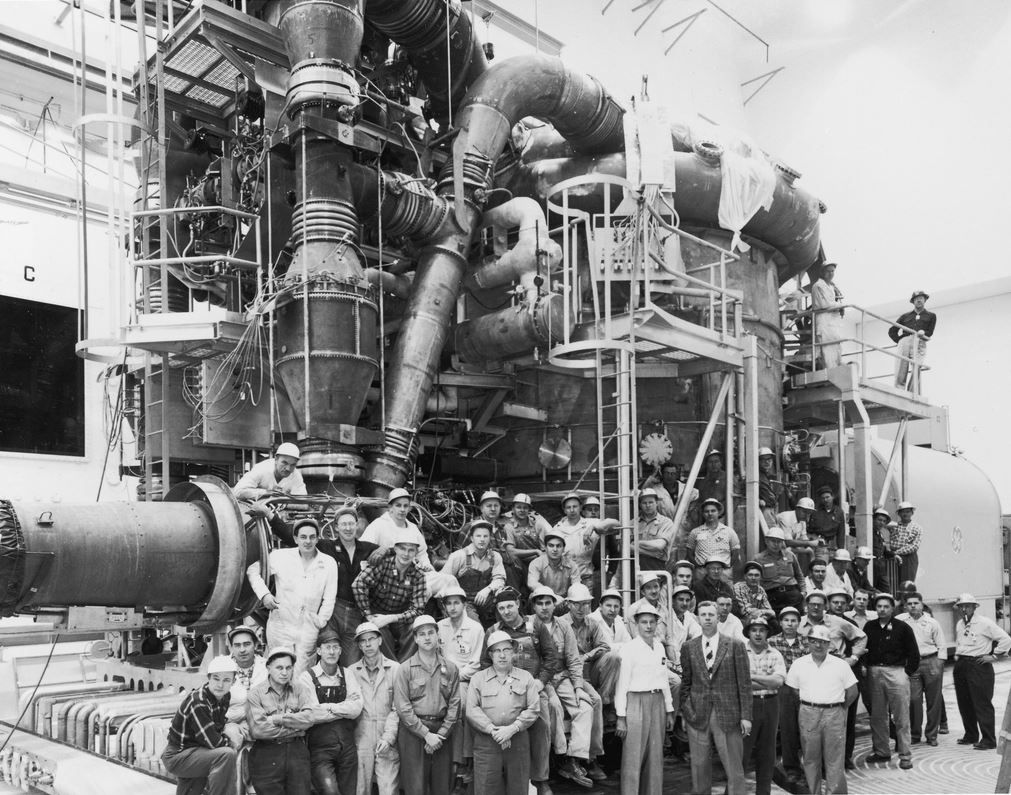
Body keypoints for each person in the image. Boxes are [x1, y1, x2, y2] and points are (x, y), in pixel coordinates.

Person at [485, 587, 559, 795]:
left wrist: (540, 682)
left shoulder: (535, 625)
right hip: (504, 689)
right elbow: (484, 663)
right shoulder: (493, 631)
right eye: (501, 608)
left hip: (533, 687)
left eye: (509, 606)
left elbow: (551, 657)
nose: (506, 611)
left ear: (518, 604)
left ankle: (541, 778)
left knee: (542, 723)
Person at [528, 585, 603, 787]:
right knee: (554, 707)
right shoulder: (530, 626)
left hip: (563, 676)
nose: (544, 607)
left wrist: (578, 686)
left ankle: (576, 758)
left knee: (586, 706)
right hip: (540, 679)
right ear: (534, 606)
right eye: (540, 603)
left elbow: (573, 659)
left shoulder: (563, 626)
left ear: (555, 605)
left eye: (548, 603)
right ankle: (561, 758)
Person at [247, 519, 338, 673]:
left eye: (312, 537)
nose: (307, 541)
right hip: (280, 625)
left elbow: (330, 597)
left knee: (304, 673)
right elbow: (252, 570)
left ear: (317, 538)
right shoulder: (280, 556)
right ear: (295, 539)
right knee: (278, 670)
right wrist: (265, 595)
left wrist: (321, 621)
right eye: (303, 537)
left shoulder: (328, 563)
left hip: (309, 628)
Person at [680, 600, 751, 795]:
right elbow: (686, 682)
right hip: (698, 713)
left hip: (728, 713)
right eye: (703, 615)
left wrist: (746, 716)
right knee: (699, 764)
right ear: (698, 618)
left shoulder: (735, 645)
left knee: (733, 765)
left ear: (718, 617)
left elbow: (744, 683)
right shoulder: (689, 647)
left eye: (711, 614)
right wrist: (687, 711)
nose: (708, 618)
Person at [785, 625, 858, 795]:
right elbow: (794, 691)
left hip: (834, 713)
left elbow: (852, 691)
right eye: (814, 641)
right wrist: (810, 705)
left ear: (829, 644)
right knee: (810, 757)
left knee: (835, 758)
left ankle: (835, 793)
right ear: (808, 642)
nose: (818, 645)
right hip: (808, 712)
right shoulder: (799, 664)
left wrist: (839, 708)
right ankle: (814, 792)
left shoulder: (840, 665)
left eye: (823, 642)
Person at [467, 631, 542, 795]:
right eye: (497, 651)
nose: (502, 655)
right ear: (490, 654)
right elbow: (472, 710)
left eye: (506, 650)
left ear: (513, 652)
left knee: (518, 788)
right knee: (486, 788)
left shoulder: (526, 677)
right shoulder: (478, 679)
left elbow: (534, 708)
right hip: (487, 743)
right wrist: (493, 731)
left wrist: (513, 728)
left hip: (517, 742)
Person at [393, 615, 461, 795]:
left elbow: (454, 705)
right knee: (415, 787)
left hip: (442, 734)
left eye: (431, 632)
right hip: (413, 733)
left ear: (438, 636)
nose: (427, 637)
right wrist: (425, 735)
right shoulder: (405, 669)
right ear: (415, 639)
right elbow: (403, 707)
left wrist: (440, 734)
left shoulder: (451, 668)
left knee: (442, 786)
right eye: (422, 634)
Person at [615, 603, 676, 795]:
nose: (648, 626)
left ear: (657, 623)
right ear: (636, 624)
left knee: (655, 756)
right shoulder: (629, 649)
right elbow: (622, 685)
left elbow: (664, 679)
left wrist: (669, 708)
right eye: (644, 622)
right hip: (635, 702)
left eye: (652, 622)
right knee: (633, 756)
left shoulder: (659, 647)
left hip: (657, 701)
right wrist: (621, 717)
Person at [161, 655, 240, 795]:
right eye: (216, 678)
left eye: (226, 680)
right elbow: (213, 742)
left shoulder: (224, 696)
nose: (220, 685)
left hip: (196, 750)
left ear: (233, 682)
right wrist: (232, 740)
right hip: (178, 755)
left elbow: (218, 727)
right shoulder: (199, 701)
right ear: (208, 678)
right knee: (226, 755)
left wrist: (227, 731)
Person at [246, 647, 316, 795]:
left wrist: (277, 719)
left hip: (297, 753)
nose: (284, 672)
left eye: (288, 668)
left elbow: (309, 719)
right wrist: (297, 727)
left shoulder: (300, 690)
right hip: (266, 753)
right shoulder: (255, 694)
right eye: (279, 667)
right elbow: (258, 730)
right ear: (268, 667)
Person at [302, 628, 363, 795]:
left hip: (347, 747)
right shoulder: (307, 677)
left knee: (349, 791)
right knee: (330, 791)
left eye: (335, 647)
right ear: (319, 650)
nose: (331, 651)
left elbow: (356, 708)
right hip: (320, 749)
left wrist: (328, 707)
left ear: (341, 651)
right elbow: (312, 714)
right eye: (327, 647)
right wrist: (344, 708)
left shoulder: (348, 674)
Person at [352, 530, 428, 661]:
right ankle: (391, 668)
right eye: (402, 549)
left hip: (400, 617)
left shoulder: (418, 575)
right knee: (379, 633)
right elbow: (358, 584)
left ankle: (405, 667)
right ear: (396, 549)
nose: (406, 554)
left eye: (411, 550)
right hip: (377, 612)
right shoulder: (383, 564)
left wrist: (391, 618)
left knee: (415, 629)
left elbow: (418, 610)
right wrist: (368, 615)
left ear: (416, 553)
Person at [863, 592, 919, 769]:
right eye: (879, 606)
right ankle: (882, 752)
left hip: (896, 672)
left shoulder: (902, 627)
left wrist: (906, 673)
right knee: (878, 716)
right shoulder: (869, 626)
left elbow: (914, 654)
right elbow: (863, 648)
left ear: (892, 608)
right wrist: (865, 666)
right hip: (874, 673)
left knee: (901, 716)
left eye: (886, 606)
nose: (882, 609)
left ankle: (905, 755)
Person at [436, 585, 485, 788]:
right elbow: (436, 657)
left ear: (464, 604)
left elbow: (475, 664)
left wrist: (454, 678)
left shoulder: (475, 628)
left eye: (457, 602)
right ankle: (441, 762)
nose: (453, 607)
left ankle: (464, 761)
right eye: (449, 603)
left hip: (465, 680)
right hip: (440, 678)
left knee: (462, 708)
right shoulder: (439, 626)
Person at [318, 505, 377, 664]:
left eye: (351, 523)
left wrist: (384, 550)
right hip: (333, 610)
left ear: (357, 525)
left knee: (351, 662)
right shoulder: (326, 547)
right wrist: (271, 517)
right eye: (343, 524)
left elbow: (398, 551)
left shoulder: (367, 548)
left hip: (356, 613)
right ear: (336, 527)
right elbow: (296, 538)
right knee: (328, 657)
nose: (348, 528)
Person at [952, 592, 1011, 750]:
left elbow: (1006, 639)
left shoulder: (985, 623)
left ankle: (988, 739)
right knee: (964, 702)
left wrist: (995, 655)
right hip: (962, 664)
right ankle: (970, 734)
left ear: (974, 607)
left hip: (978, 664)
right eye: (961, 606)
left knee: (982, 702)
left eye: (967, 606)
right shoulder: (960, 624)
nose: (964, 609)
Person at [348, 622, 400, 795]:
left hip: (387, 736)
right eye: (363, 641)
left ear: (379, 640)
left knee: (388, 789)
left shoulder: (395, 669)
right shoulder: (351, 672)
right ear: (359, 645)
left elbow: (397, 708)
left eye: (371, 639)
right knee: (360, 789)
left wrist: (388, 737)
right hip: (361, 736)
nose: (368, 644)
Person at [742, 616, 786, 795]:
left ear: (767, 633)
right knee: (741, 753)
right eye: (754, 630)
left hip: (770, 704)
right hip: (747, 704)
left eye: (762, 630)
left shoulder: (775, 654)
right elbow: (739, 682)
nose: (758, 634)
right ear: (749, 632)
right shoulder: (741, 652)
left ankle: (763, 792)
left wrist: (751, 678)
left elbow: (778, 682)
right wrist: (766, 681)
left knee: (767, 753)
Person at [767, 607, 809, 789]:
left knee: (807, 729)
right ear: (781, 622)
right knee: (788, 729)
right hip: (784, 689)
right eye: (786, 620)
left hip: (805, 688)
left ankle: (810, 768)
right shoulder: (772, 642)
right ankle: (791, 768)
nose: (790, 624)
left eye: (793, 620)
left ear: (798, 623)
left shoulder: (806, 641)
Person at [897, 591, 946, 746]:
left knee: (934, 700)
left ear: (921, 604)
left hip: (931, 660)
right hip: (912, 664)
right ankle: (915, 734)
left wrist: (939, 663)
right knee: (914, 700)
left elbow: (942, 645)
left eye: (916, 603)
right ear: (905, 606)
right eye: (909, 604)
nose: (913, 606)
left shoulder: (932, 622)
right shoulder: (900, 621)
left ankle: (932, 735)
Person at [559, 583, 619, 708]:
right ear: (568, 604)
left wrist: (586, 656)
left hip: (590, 668)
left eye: (585, 604)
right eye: (577, 604)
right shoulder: (561, 624)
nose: (581, 608)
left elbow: (604, 646)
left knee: (613, 657)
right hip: (570, 670)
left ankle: (604, 699)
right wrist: (576, 660)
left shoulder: (592, 623)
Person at [443, 520, 507, 625]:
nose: (482, 540)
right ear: (472, 538)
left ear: (490, 538)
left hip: (486, 599)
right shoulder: (459, 556)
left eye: (485, 536)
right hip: (464, 602)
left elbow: (500, 578)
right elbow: (443, 581)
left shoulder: (495, 556)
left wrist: (487, 590)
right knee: (476, 627)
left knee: (506, 601)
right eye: (478, 536)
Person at [552, 493, 620, 587]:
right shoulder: (557, 528)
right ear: (564, 510)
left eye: (575, 506)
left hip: (586, 576)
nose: (572, 510)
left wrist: (594, 527)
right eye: (568, 507)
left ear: (580, 508)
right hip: (564, 577)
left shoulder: (591, 522)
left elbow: (616, 523)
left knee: (587, 601)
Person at [361, 488, 433, 571]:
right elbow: (363, 550)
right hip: (385, 575)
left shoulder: (413, 529)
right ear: (390, 507)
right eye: (398, 505)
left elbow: (421, 554)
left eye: (405, 506)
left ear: (409, 508)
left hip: (411, 575)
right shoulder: (378, 525)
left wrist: (427, 566)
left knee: (448, 578)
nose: (402, 509)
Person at [224, 626, 267, 742]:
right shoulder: (222, 668)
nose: (242, 650)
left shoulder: (267, 667)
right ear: (231, 647)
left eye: (247, 644)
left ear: (255, 644)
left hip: (261, 722)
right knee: (233, 737)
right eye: (237, 645)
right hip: (230, 723)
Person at [889, 290, 936, 391]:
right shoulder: (905, 316)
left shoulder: (931, 316)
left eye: (921, 298)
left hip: (919, 341)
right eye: (916, 299)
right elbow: (892, 331)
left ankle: (912, 391)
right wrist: (900, 340)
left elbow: (930, 332)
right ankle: (899, 390)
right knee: (901, 365)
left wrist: (924, 333)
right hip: (905, 341)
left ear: (925, 300)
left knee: (917, 366)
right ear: (913, 301)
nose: (919, 300)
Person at [684, 498, 741, 580]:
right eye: (706, 511)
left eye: (713, 511)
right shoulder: (695, 532)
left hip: (723, 573)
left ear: (719, 512)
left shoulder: (729, 531)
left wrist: (727, 567)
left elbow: (735, 551)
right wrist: (698, 567)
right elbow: (689, 552)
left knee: (724, 592)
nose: (710, 513)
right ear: (703, 514)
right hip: (702, 573)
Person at [233, 442, 307, 502]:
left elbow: (304, 502)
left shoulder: (296, 475)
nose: (288, 468)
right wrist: (266, 493)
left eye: (293, 465)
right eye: (284, 463)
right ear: (276, 459)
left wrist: (281, 501)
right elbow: (238, 492)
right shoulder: (261, 469)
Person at [754, 527, 805, 612]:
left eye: (779, 541)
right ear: (766, 541)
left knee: (797, 620)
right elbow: (755, 581)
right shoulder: (758, 559)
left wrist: (803, 592)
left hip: (793, 594)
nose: (776, 544)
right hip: (772, 597)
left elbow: (799, 575)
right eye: (773, 541)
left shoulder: (790, 555)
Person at [503, 493, 551, 573]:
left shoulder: (538, 525)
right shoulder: (509, 527)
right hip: (519, 566)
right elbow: (511, 551)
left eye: (525, 507)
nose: (522, 510)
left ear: (529, 510)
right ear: (513, 509)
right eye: (518, 507)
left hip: (537, 563)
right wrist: (535, 551)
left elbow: (545, 550)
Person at [526, 531, 580, 600]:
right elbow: (532, 583)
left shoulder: (572, 565)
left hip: (563, 600)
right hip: (543, 598)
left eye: (558, 546)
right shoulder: (536, 563)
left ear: (563, 549)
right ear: (545, 548)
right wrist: (552, 596)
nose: (555, 549)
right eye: (551, 545)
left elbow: (576, 586)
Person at [811, 261, 845, 369]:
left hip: (832, 321)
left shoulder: (830, 287)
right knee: (827, 349)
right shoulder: (818, 286)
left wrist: (839, 306)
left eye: (832, 271)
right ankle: (830, 370)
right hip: (824, 320)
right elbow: (824, 304)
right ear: (822, 272)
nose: (831, 274)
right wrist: (839, 305)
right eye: (828, 271)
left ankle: (837, 368)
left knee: (836, 346)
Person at [635, 488, 677, 572]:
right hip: (635, 565)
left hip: (656, 566)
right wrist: (651, 553)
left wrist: (636, 543)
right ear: (640, 504)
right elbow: (625, 547)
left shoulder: (666, 522)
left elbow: (659, 546)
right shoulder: (632, 523)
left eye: (651, 502)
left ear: (657, 503)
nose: (648, 505)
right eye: (644, 503)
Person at [807, 485, 846, 559]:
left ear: (832, 497)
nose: (825, 500)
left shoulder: (839, 512)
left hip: (831, 546)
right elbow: (810, 530)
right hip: (817, 545)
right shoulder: (816, 512)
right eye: (823, 498)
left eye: (827, 497)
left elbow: (841, 533)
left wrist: (840, 550)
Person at [889, 501, 922, 584]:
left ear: (912, 513)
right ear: (899, 514)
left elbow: (914, 546)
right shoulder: (894, 526)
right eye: (902, 512)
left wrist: (895, 552)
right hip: (894, 556)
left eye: (907, 511)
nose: (905, 514)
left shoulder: (917, 528)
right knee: (893, 581)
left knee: (906, 583)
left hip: (908, 558)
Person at [758, 447, 784, 529]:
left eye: (769, 459)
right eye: (763, 459)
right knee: (772, 534)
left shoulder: (767, 476)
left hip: (772, 508)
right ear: (758, 461)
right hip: (764, 510)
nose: (767, 462)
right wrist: (758, 500)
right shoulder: (756, 475)